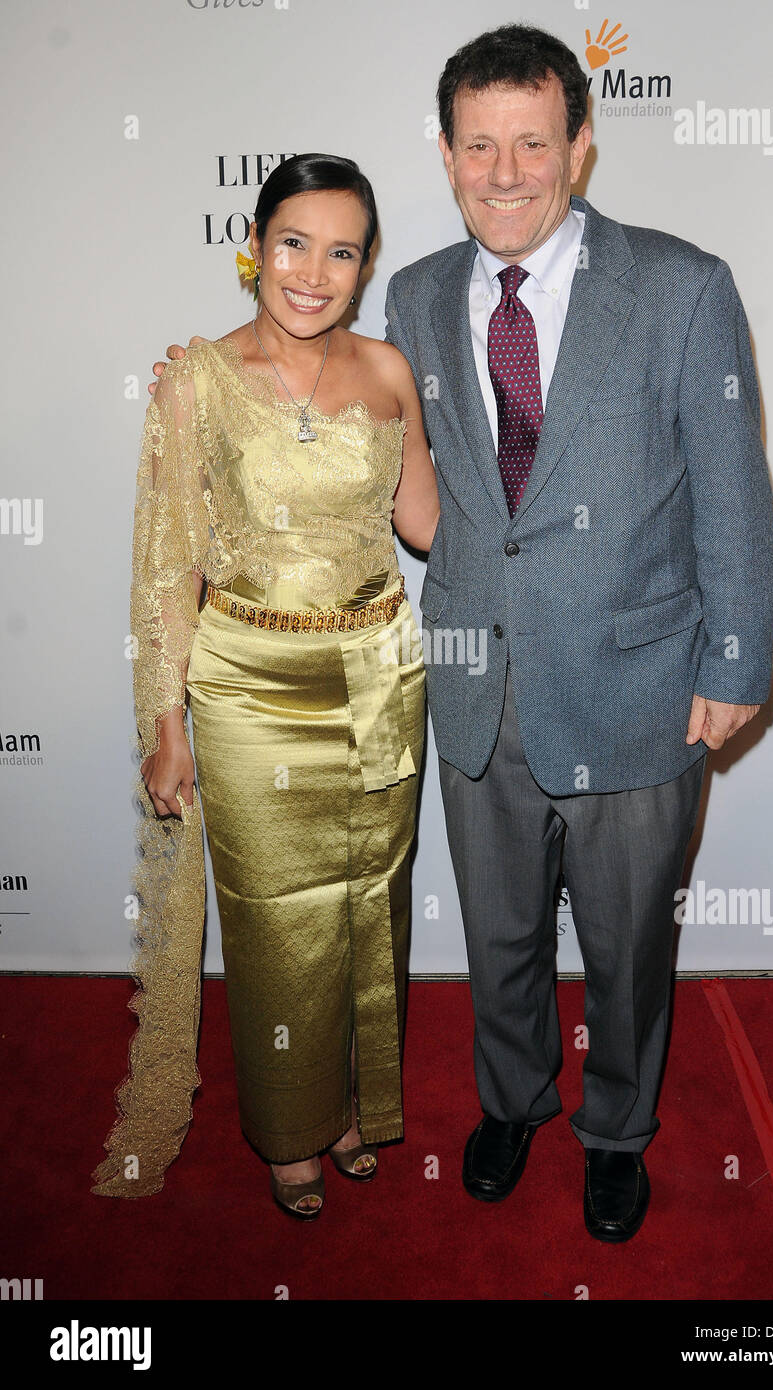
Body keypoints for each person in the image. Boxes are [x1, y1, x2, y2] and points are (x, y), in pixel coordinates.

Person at [152, 23, 773, 1244]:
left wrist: (734, 662)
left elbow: (732, 490)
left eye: (530, 143)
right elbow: (400, 481)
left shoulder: (682, 284)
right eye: (476, 145)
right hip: (467, 676)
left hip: (638, 683)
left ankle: (614, 1132)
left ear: (578, 147)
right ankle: (510, 1104)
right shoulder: (418, 294)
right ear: (443, 154)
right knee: (497, 935)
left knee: (626, 946)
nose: (503, 172)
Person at [91, 153, 440, 1218]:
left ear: (365, 264)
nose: (313, 271)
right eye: (294, 241)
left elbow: (430, 525)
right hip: (247, 683)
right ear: (254, 243)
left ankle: (346, 1107)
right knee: (274, 919)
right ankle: (288, 1134)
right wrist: (166, 722)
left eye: (342, 251)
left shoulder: (387, 370)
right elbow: (166, 562)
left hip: (380, 672)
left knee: (368, 906)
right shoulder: (195, 378)